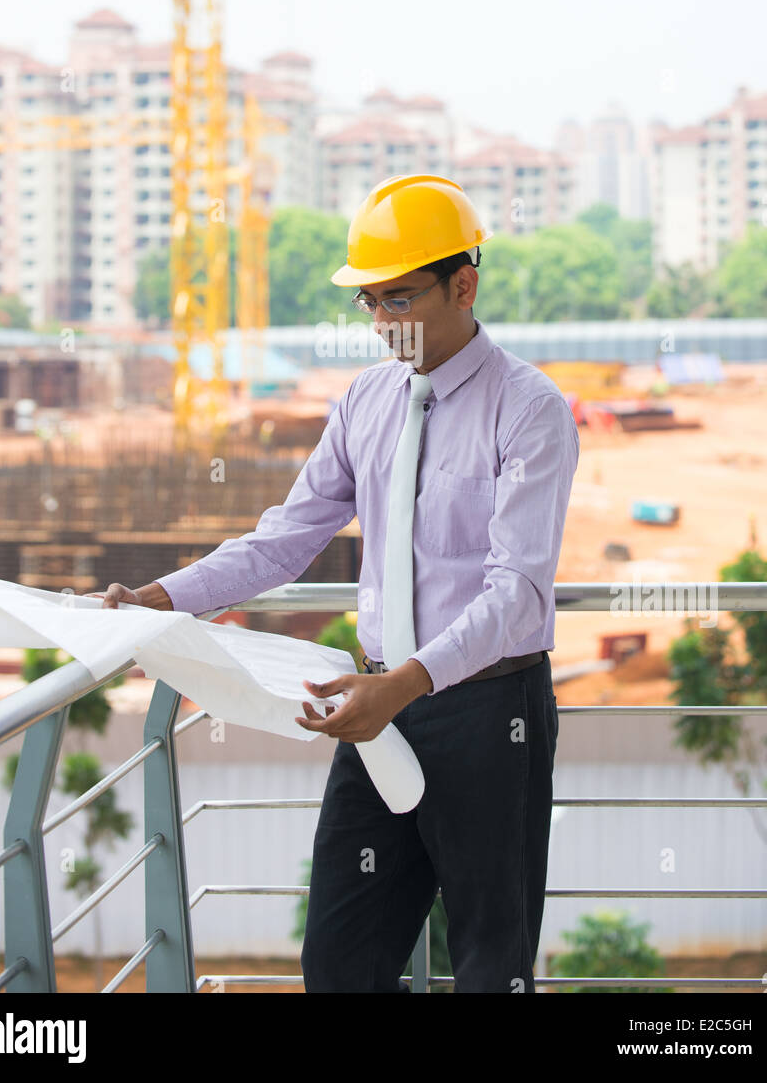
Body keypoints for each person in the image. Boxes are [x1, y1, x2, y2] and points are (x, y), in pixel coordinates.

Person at [90, 173, 580, 993]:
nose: (382, 324)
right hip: (375, 709)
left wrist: (405, 683)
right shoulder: (365, 402)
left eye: (399, 300)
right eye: (369, 304)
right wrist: (160, 598)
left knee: (491, 967)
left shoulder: (528, 410)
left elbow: (517, 592)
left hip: (489, 714)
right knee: (341, 963)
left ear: (463, 284)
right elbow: (285, 540)